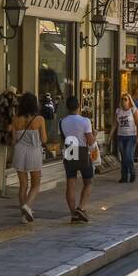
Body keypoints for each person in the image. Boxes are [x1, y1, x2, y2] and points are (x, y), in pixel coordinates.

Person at [9, 92, 46, 222]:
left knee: (23, 185)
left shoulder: (15, 119)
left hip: (19, 152)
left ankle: (24, 216)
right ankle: (27, 206)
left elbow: (13, 141)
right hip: (34, 151)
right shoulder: (39, 119)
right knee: (36, 184)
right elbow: (44, 139)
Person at [58, 95, 95, 223]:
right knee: (88, 182)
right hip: (82, 151)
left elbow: (62, 140)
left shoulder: (62, 121)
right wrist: (94, 135)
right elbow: (90, 141)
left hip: (69, 150)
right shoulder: (85, 121)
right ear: (79, 106)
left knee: (70, 183)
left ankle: (73, 212)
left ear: (67, 107)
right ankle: (81, 207)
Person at [113, 92, 138, 184]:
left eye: (126, 99)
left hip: (131, 136)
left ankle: (132, 172)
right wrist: (110, 135)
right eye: (122, 99)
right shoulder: (118, 111)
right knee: (123, 157)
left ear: (129, 101)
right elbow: (115, 123)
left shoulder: (133, 110)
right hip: (121, 136)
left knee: (128, 156)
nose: (124, 101)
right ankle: (124, 176)